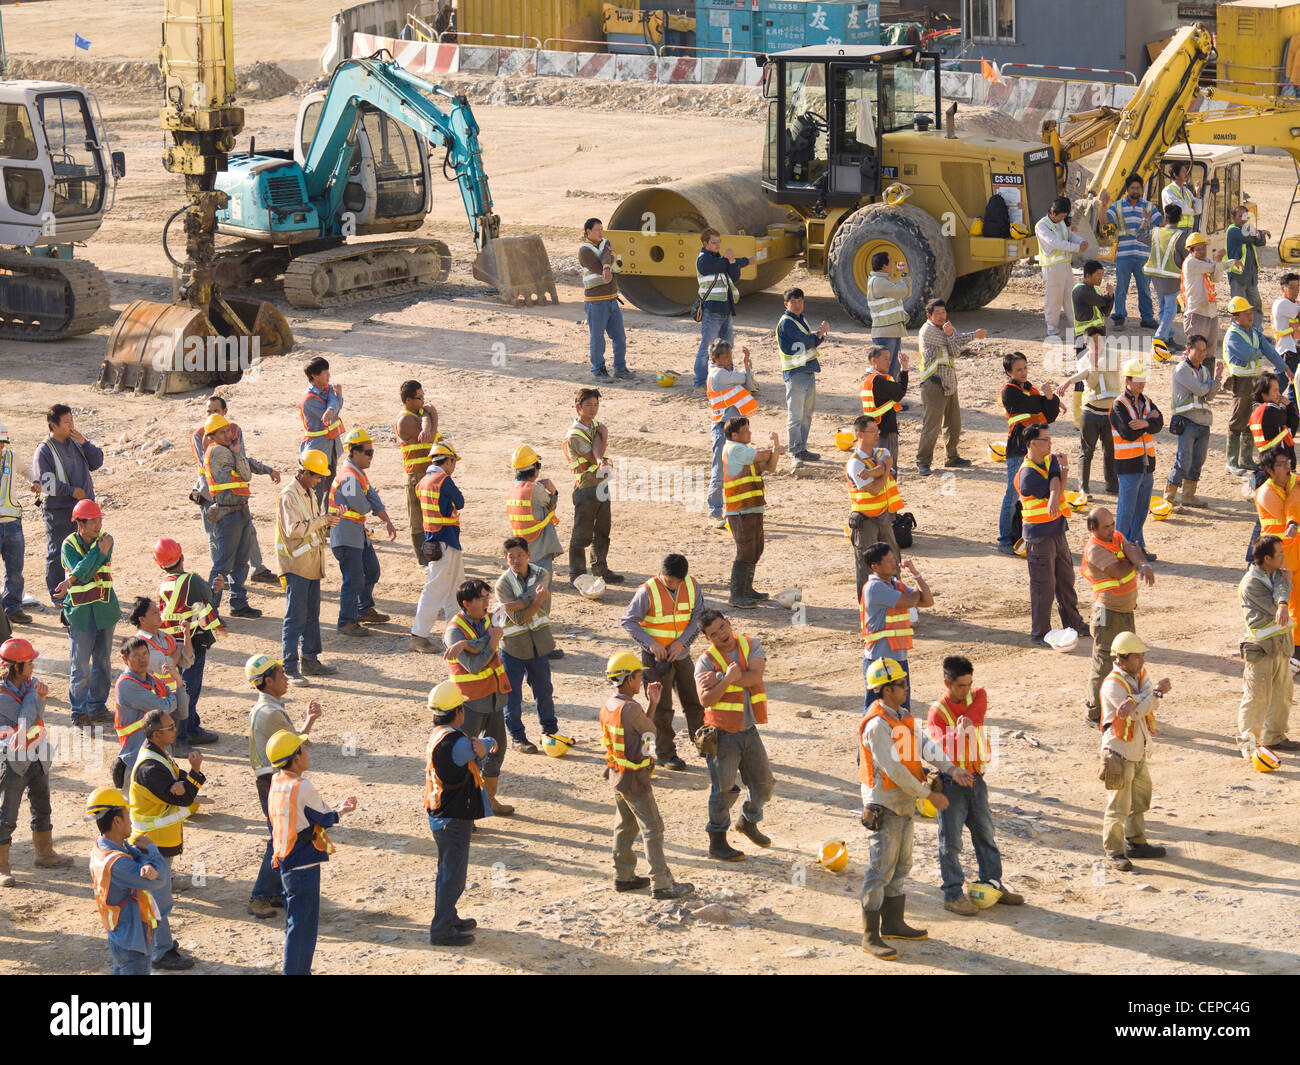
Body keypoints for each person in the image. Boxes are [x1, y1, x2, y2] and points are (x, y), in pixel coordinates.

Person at [858, 656, 972, 960]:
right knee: (880, 868)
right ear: (884, 689)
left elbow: (924, 746)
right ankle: (870, 935)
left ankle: (893, 923)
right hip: (885, 803)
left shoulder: (902, 715)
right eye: (900, 684)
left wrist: (950, 768)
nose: (906, 688)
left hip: (903, 801)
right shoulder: (878, 725)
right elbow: (894, 769)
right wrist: (926, 794)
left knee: (902, 865)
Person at [926, 655, 1024, 915]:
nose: (966, 690)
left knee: (986, 835)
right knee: (951, 842)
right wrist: (959, 732)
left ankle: (992, 883)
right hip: (951, 784)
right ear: (946, 683)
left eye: (969, 684)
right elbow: (940, 749)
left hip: (977, 780)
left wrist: (966, 722)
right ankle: (953, 894)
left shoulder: (977, 695)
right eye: (960, 686)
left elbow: (978, 708)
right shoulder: (937, 713)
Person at [600, 653, 693, 900]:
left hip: (617, 775)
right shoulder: (630, 708)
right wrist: (652, 704)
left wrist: (651, 702)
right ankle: (661, 884)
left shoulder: (610, 705)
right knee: (652, 828)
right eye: (638, 675)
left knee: (625, 825)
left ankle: (623, 876)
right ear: (628, 678)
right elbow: (650, 734)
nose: (640, 679)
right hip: (634, 778)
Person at [266, 728, 357, 974]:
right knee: (303, 927)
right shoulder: (302, 785)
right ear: (296, 757)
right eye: (303, 749)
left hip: (284, 859)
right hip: (303, 863)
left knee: (294, 921)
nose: (307, 752)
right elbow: (324, 817)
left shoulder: (276, 781)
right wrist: (342, 810)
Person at [695, 609, 775, 862]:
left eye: (722, 627)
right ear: (708, 639)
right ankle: (717, 842)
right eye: (714, 634)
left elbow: (755, 676)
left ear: (728, 623)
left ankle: (747, 821)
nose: (721, 635)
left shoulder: (751, 644)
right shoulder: (704, 661)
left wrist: (722, 678)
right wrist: (729, 677)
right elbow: (705, 699)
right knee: (724, 791)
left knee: (764, 785)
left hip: (748, 730)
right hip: (722, 735)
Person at [246, 654, 321, 919]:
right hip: (274, 779)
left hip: (269, 779)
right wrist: (310, 723)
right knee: (280, 837)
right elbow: (295, 746)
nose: (286, 677)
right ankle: (261, 895)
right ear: (268, 681)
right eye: (280, 674)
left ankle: (273, 890)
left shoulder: (267, 708)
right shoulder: (270, 713)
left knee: (282, 835)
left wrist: (309, 721)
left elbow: (293, 741)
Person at [127, 709, 201, 970]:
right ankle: (161, 951)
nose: (175, 729)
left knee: (159, 898)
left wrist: (187, 780)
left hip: (158, 841)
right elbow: (182, 797)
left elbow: (180, 784)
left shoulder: (160, 755)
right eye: (170, 727)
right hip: (153, 844)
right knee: (160, 901)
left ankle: (161, 942)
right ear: (156, 734)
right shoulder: (150, 768)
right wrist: (195, 774)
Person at [621, 553, 705, 769]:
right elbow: (629, 621)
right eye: (669, 581)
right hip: (656, 659)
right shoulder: (647, 591)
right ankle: (666, 754)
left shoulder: (692, 585)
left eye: (678, 581)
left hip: (681, 655)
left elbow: (698, 617)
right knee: (661, 708)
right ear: (661, 573)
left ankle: (704, 744)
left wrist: (682, 643)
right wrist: (652, 644)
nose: (674, 585)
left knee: (695, 702)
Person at [424, 681, 492, 946]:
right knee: (453, 876)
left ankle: (449, 918)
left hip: (440, 814)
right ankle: (441, 929)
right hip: (452, 818)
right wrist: (488, 743)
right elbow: (485, 746)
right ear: (458, 712)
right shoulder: (456, 741)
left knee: (447, 871)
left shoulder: (438, 735)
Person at [1098, 633, 1170, 872]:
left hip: (1137, 751)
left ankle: (1137, 843)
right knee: (1118, 806)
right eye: (1137, 656)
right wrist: (1152, 695)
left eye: (1142, 655)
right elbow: (1137, 712)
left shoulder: (1139, 675)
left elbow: (1143, 703)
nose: (1142, 660)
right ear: (1122, 659)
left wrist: (1138, 698)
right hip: (1118, 753)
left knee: (1140, 801)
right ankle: (1114, 851)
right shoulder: (1111, 684)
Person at [191, 396, 280, 585]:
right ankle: (219, 583)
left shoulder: (234, 431)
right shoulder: (201, 436)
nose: (212, 414)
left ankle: (256, 570)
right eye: (209, 411)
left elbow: (243, 460)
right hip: (212, 496)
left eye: (216, 411)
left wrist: (264, 469)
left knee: (246, 537)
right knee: (216, 539)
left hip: (237, 496)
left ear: (225, 412)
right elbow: (236, 465)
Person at [0, 637, 67, 885]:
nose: (33, 668)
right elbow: (24, 712)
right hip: (12, 759)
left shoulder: (29, 684)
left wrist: (34, 700)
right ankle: (2, 866)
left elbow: (30, 706)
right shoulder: (2, 694)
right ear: (16, 667)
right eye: (29, 663)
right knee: (8, 813)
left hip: (36, 753)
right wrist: (36, 701)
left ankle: (44, 853)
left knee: (42, 804)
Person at [444, 578, 513, 816]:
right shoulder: (453, 631)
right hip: (470, 702)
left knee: (497, 749)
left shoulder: (486, 618)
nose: (487, 602)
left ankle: (489, 800)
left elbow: (490, 636)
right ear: (466, 603)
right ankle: (464, 812)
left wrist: (470, 643)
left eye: (487, 596)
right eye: (482, 598)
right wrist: (491, 642)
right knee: (466, 758)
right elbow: (474, 667)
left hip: (493, 697)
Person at [1080, 507, 1153, 725]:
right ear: (1093, 529)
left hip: (1123, 612)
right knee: (1103, 663)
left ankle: (1119, 705)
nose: (1112, 529)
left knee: (1127, 661)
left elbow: (1129, 547)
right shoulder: (1094, 549)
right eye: (1106, 526)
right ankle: (1095, 713)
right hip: (1108, 614)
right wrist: (1137, 560)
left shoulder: (1114, 537)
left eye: (1112, 524)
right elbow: (1119, 571)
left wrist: (1143, 562)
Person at [1018, 425, 1087, 644]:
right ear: (1033, 444)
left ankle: (1073, 622)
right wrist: (1059, 482)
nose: (1050, 443)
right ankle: (1040, 632)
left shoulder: (1049, 460)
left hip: (1056, 531)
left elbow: (1056, 480)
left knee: (1066, 580)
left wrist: (1059, 480)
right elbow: (1056, 483)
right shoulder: (1027, 475)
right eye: (1045, 440)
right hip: (1039, 537)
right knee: (1043, 586)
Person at [85, 786, 164, 975]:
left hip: (119, 934)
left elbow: (135, 856)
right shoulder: (118, 864)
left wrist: (145, 864)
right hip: (133, 942)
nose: (131, 821)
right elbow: (159, 879)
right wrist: (152, 850)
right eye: (127, 815)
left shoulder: (104, 845)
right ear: (117, 821)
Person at [276, 450, 338, 683]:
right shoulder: (288, 496)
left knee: (312, 615)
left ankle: (310, 660)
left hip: (311, 563)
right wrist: (323, 520)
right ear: (304, 473)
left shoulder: (308, 493)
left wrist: (326, 522)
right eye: (317, 476)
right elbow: (294, 530)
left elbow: (311, 528)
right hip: (296, 565)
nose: (319, 481)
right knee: (295, 617)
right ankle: (290, 667)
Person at [154, 538, 223, 747]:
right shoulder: (191, 580)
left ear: (159, 564)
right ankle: (182, 737)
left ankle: (192, 726)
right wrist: (215, 589)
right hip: (191, 641)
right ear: (181, 557)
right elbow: (206, 594)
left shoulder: (163, 586)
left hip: (172, 643)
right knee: (189, 689)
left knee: (182, 685)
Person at [57, 498, 119, 728]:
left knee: (102, 663)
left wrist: (74, 576)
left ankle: (97, 706)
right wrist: (97, 555)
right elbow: (82, 573)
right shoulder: (68, 545)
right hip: (81, 614)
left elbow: (83, 571)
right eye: (92, 521)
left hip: (104, 611)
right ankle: (79, 711)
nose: (97, 524)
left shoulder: (107, 540)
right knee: (80, 667)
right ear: (79, 524)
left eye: (98, 519)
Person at [34, 404, 104, 606]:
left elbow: (97, 462)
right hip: (60, 510)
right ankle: (58, 595)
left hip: (85, 509)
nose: (71, 425)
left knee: (87, 549)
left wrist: (84, 441)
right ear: (53, 426)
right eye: (66, 422)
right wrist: (71, 490)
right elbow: (46, 482)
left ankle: (86, 590)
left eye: (71, 420)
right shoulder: (44, 450)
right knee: (58, 552)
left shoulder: (77, 443)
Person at [1238, 536, 1300, 764]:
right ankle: (1248, 744)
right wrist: (1283, 596)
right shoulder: (1252, 584)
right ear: (1267, 559)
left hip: (1279, 647)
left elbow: (1283, 585)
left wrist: (1283, 586)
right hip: (1261, 649)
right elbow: (1277, 603)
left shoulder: (1273, 574)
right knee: (1256, 698)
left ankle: (1275, 737)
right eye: (1279, 554)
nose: (1283, 557)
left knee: (1282, 696)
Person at [494, 537, 560, 753]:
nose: (516, 560)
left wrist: (513, 604)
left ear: (528, 555)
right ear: (505, 559)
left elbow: (517, 610)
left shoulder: (542, 573)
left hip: (538, 645)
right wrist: (536, 600)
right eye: (511, 557)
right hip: (513, 647)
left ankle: (550, 733)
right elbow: (519, 618)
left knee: (544, 691)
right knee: (512, 697)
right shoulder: (502, 584)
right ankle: (517, 738)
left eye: (520, 555)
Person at [329, 428, 396, 637]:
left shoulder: (359, 475)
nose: (371, 457)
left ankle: (363, 608)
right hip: (346, 535)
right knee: (353, 579)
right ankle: (346, 621)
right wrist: (370, 504)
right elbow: (360, 505)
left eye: (371, 452)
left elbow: (372, 497)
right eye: (368, 452)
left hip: (357, 533)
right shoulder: (349, 478)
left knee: (372, 570)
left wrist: (386, 519)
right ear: (354, 452)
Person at [199, 412, 261, 620]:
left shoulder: (226, 450)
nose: (228, 434)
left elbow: (245, 466)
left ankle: (238, 603)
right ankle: (210, 612)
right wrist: (236, 452)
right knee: (223, 565)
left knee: (241, 562)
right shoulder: (219, 452)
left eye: (228, 430)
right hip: (229, 514)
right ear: (212, 436)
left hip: (240, 510)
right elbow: (245, 473)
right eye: (222, 432)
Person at [915, 298, 987, 476]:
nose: (941, 316)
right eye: (937, 313)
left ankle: (952, 457)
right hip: (933, 384)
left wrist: (959, 335)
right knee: (932, 426)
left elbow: (956, 339)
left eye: (943, 312)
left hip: (948, 382)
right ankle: (923, 462)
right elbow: (955, 349)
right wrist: (970, 336)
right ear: (929, 316)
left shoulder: (944, 328)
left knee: (954, 424)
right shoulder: (929, 331)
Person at [998, 352, 1060, 554]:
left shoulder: (1030, 388)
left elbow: (1049, 416)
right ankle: (1004, 540)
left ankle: (1028, 537)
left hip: (1037, 450)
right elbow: (1031, 405)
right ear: (1009, 372)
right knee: (1013, 494)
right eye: (1018, 370)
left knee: (1033, 495)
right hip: (1018, 449)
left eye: (1025, 368)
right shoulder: (1009, 391)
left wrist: (1049, 399)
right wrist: (1047, 399)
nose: (1023, 372)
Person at [860, 541, 931, 710]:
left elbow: (927, 601)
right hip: (879, 661)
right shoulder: (875, 587)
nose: (894, 563)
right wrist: (915, 592)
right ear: (875, 566)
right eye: (889, 560)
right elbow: (909, 601)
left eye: (894, 558)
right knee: (875, 711)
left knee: (901, 710)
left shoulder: (894, 584)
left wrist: (916, 574)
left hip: (898, 659)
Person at [1225, 297, 1292, 475]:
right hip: (1242, 382)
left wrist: (1285, 368)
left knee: (1251, 420)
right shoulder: (1233, 335)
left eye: (1250, 312)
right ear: (1236, 317)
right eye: (1246, 313)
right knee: (1238, 419)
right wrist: (1260, 351)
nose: (1250, 315)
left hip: (1254, 381)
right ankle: (1231, 461)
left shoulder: (1253, 332)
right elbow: (1249, 354)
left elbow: (1269, 350)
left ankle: (1245, 459)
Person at [562, 388, 623, 585]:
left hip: (600, 485)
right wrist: (603, 436)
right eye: (588, 405)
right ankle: (577, 574)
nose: (593, 409)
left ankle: (600, 568)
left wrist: (601, 435)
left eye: (595, 405)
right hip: (586, 487)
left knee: (603, 531)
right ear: (577, 407)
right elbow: (593, 457)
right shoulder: (575, 435)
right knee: (582, 534)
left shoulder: (594, 425)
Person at [411, 441, 466, 654]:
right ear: (448, 460)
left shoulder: (423, 482)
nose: (454, 467)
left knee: (454, 588)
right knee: (436, 590)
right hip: (446, 541)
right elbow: (459, 502)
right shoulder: (443, 480)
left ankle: (453, 633)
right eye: (454, 462)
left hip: (436, 541)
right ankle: (419, 636)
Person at [721, 416, 782, 608]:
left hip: (752, 508)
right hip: (741, 510)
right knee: (746, 550)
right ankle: (737, 595)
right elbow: (762, 457)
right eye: (746, 431)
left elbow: (770, 466)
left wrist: (776, 447)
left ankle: (746, 590)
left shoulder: (744, 450)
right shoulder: (734, 449)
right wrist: (774, 449)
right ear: (734, 434)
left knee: (755, 548)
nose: (750, 433)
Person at [1057, 327, 1120, 499]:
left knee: (1110, 451)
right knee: (1086, 451)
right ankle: (1083, 488)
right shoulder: (1083, 360)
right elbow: (1091, 383)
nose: (1097, 344)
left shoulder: (1113, 355)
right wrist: (1089, 368)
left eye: (1100, 340)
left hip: (1109, 412)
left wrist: (1071, 380)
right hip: (1090, 411)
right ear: (1086, 344)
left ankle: (1112, 486)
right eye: (1093, 341)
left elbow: (1096, 371)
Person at [1110, 361, 1164, 557]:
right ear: (1127, 381)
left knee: (1141, 511)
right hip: (1129, 465)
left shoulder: (1146, 400)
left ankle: (1136, 547)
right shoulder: (1118, 405)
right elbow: (1127, 432)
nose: (1142, 384)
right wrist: (1149, 421)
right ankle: (1119, 549)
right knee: (1125, 512)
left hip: (1146, 464)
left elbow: (1160, 424)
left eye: (1144, 379)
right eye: (1138, 380)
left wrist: (1143, 423)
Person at [111, 636, 176, 792]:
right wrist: (177, 691)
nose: (142, 659)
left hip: (157, 757)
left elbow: (178, 706)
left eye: (145, 654)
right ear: (125, 659)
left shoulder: (153, 679)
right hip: (137, 764)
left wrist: (175, 694)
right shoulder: (127, 685)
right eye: (136, 656)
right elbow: (167, 706)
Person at [1164, 333, 1223, 506]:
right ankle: (1168, 498)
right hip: (1188, 422)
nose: (1203, 353)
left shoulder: (1204, 370)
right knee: (1183, 461)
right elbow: (1200, 390)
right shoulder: (1182, 369)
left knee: (1197, 461)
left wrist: (1217, 377)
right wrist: (1211, 384)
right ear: (1189, 349)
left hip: (1203, 422)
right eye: (1200, 350)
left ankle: (1188, 496)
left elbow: (1210, 395)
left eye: (1205, 350)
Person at [1253, 447, 1300, 657]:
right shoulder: (1266, 493)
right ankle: (1293, 652)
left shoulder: (1293, 483)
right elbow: (1288, 513)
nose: (1287, 467)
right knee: (1289, 605)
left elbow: (1294, 504)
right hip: (1282, 557)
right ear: (1270, 470)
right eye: (1280, 465)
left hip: (1294, 551)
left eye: (1287, 462)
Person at [130, 596, 191, 754]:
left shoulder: (164, 637)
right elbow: (165, 666)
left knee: (168, 744)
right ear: (142, 619)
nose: (160, 614)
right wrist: (178, 650)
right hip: (155, 701)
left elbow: (188, 661)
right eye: (154, 612)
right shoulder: (140, 644)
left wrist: (186, 636)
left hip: (172, 696)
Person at [847, 415, 902, 589]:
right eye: (872, 431)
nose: (877, 435)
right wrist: (884, 472)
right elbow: (875, 489)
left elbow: (883, 465)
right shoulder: (854, 464)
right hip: (866, 521)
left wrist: (871, 473)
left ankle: (896, 601)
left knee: (893, 561)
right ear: (860, 434)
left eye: (877, 431)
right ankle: (869, 607)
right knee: (867, 567)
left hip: (884, 517)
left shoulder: (882, 452)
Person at [706, 340, 758, 524]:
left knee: (738, 471)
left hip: (736, 429)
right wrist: (745, 371)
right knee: (720, 471)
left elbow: (750, 385)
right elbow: (743, 380)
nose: (729, 359)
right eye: (725, 356)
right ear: (715, 358)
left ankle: (734, 509)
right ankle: (714, 511)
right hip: (722, 428)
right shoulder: (718, 375)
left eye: (730, 355)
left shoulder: (727, 372)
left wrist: (746, 366)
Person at [777, 287, 828, 468]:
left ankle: (801, 448)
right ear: (786, 304)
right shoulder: (787, 323)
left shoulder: (800, 319)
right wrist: (818, 335)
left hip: (806, 371)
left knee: (805, 414)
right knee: (796, 415)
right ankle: (795, 451)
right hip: (796, 373)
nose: (798, 305)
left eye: (800, 301)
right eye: (794, 302)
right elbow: (805, 342)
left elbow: (809, 341)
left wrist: (818, 336)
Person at [578, 218, 633, 381]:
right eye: (597, 230)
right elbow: (601, 270)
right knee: (597, 337)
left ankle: (620, 368)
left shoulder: (604, 244)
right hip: (595, 302)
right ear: (588, 232)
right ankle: (598, 370)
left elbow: (608, 264)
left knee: (620, 337)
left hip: (611, 300)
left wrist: (608, 262)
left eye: (602, 229)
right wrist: (610, 259)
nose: (601, 233)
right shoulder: (584, 251)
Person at [694, 227, 749, 388]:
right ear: (705, 243)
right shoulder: (704, 259)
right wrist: (731, 260)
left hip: (725, 311)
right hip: (712, 311)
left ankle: (728, 380)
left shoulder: (718, 259)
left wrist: (738, 261)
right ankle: (699, 383)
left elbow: (734, 273)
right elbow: (721, 265)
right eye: (714, 242)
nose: (718, 245)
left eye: (719, 242)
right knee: (706, 348)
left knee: (727, 348)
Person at [1245, 377, 1297, 540]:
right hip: (1273, 472)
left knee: (1268, 519)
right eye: (1274, 390)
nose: (1278, 393)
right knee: (1266, 521)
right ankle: (1254, 560)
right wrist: (1289, 405)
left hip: (1272, 469)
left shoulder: (1259, 409)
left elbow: (1291, 426)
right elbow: (1292, 422)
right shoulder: (1269, 410)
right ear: (1263, 393)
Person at [394, 380, 439, 562]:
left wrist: (428, 416)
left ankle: (431, 554)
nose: (423, 401)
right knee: (417, 521)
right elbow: (429, 439)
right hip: (415, 476)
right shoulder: (405, 419)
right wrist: (434, 416)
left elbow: (425, 418)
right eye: (419, 397)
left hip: (426, 474)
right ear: (407, 400)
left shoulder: (417, 413)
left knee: (430, 517)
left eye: (423, 396)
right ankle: (422, 560)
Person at [1106, 174, 1158, 329]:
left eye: (1138, 187)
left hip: (1143, 255)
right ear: (1127, 189)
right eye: (1133, 188)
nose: (1136, 190)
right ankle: (1119, 317)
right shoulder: (1117, 206)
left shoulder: (1149, 207)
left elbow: (1161, 221)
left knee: (1144, 288)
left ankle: (1147, 318)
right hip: (1124, 254)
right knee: (1121, 287)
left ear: (1142, 189)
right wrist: (1102, 206)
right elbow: (1105, 220)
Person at [1035, 195, 1088, 338]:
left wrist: (1081, 241)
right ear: (1053, 213)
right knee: (1054, 299)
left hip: (1064, 266)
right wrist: (1077, 248)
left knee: (1070, 296)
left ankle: (1076, 326)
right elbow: (1055, 242)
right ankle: (1052, 329)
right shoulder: (1042, 225)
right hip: (1052, 268)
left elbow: (1069, 235)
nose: (1063, 219)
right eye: (1062, 216)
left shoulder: (1060, 223)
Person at [506, 445, 561, 576]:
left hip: (521, 543)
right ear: (534, 469)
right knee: (541, 583)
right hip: (539, 544)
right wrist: (553, 491)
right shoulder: (535, 489)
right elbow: (551, 504)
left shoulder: (513, 489)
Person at [299, 356, 346, 507]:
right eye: (325, 373)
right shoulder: (309, 400)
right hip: (317, 450)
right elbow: (331, 418)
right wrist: (338, 399)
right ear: (314, 375)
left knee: (329, 487)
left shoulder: (326, 389)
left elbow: (332, 405)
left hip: (330, 447)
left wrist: (333, 405)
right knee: (316, 490)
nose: (329, 376)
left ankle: (325, 522)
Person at [1145, 204, 1190, 353]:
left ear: (1165, 217)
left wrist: (1145, 221)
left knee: (1164, 309)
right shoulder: (1180, 236)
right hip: (1172, 279)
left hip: (1156, 277)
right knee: (1169, 312)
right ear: (1181, 218)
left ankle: (1168, 339)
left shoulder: (1155, 232)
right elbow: (1187, 257)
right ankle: (1159, 340)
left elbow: (1139, 236)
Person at [861, 344, 909, 474]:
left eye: (889, 358)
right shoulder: (878, 381)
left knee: (877, 467)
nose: (889, 362)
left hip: (874, 430)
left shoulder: (868, 379)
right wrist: (904, 370)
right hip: (885, 432)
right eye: (885, 358)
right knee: (887, 469)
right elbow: (899, 392)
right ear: (874, 361)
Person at [1180, 232, 1227, 364]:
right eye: (1198, 249)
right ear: (1191, 251)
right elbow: (1214, 267)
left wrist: (1225, 262)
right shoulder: (1191, 263)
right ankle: (1187, 378)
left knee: (1209, 351)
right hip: (1196, 312)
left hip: (1211, 312)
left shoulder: (1208, 261)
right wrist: (1219, 261)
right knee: (1194, 350)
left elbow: (1216, 277)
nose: (1202, 251)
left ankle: (1206, 380)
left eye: (1203, 248)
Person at [0, 423, 30, 625]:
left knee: (15, 570)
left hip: (12, 524)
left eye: (1, 443)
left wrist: (35, 481)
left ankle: (12, 608)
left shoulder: (12, 458)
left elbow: (28, 471)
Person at [867, 251, 910, 379]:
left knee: (893, 369)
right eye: (890, 262)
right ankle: (884, 397)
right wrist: (904, 274)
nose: (893, 264)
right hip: (885, 333)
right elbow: (904, 291)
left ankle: (892, 396)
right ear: (884, 267)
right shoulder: (879, 282)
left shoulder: (882, 281)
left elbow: (904, 292)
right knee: (884, 370)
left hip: (892, 331)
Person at [1226, 204, 1270, 314]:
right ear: (1233, 218)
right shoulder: (1233, 231)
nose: (1243, 219)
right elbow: (1249, 237)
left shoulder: (1247, 229)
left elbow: (1260, 242)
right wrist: (1259, 232)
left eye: (1245, 216)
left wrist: (1258, 233)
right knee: (1238, 307)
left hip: (1251, 276)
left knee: (1256, 306)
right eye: (1240, 216)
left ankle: (1256, 330)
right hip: (1238, 276)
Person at [1071, 260, 1114, 352]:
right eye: (1098, 274)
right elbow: (1103, 302)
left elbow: (1106, 312)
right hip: (1084, 337)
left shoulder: (1096, 290)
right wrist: (1109, 296)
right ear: (1088, 275)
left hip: (1098, 335)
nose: (1101, 278)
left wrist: (1110, 296)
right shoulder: (1081, 290)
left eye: (1102, 274)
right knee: (1085, 365)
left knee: (1100, 364)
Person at [1270, 273, 1300, 402]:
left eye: (1298, 287)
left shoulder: (1291, 303)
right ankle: (1262, 414)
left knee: (1295, 387)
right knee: (1277, 388)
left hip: (1293, 349)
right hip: (1287, 351)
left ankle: (1293, 419)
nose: (1296, 291)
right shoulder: (1283, 304)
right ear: (1283, 288)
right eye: (1292, 287)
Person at [1161, 161, 1202, 228]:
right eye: (1183, 171)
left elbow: (1198, 210)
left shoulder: (1186, 191)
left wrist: (1197, 193)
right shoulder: (1168, 191)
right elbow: (1180, 208)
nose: (1186, 174)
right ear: (1175, 174)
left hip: (1189, 229)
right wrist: (1192, 210)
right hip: (1175, 228)